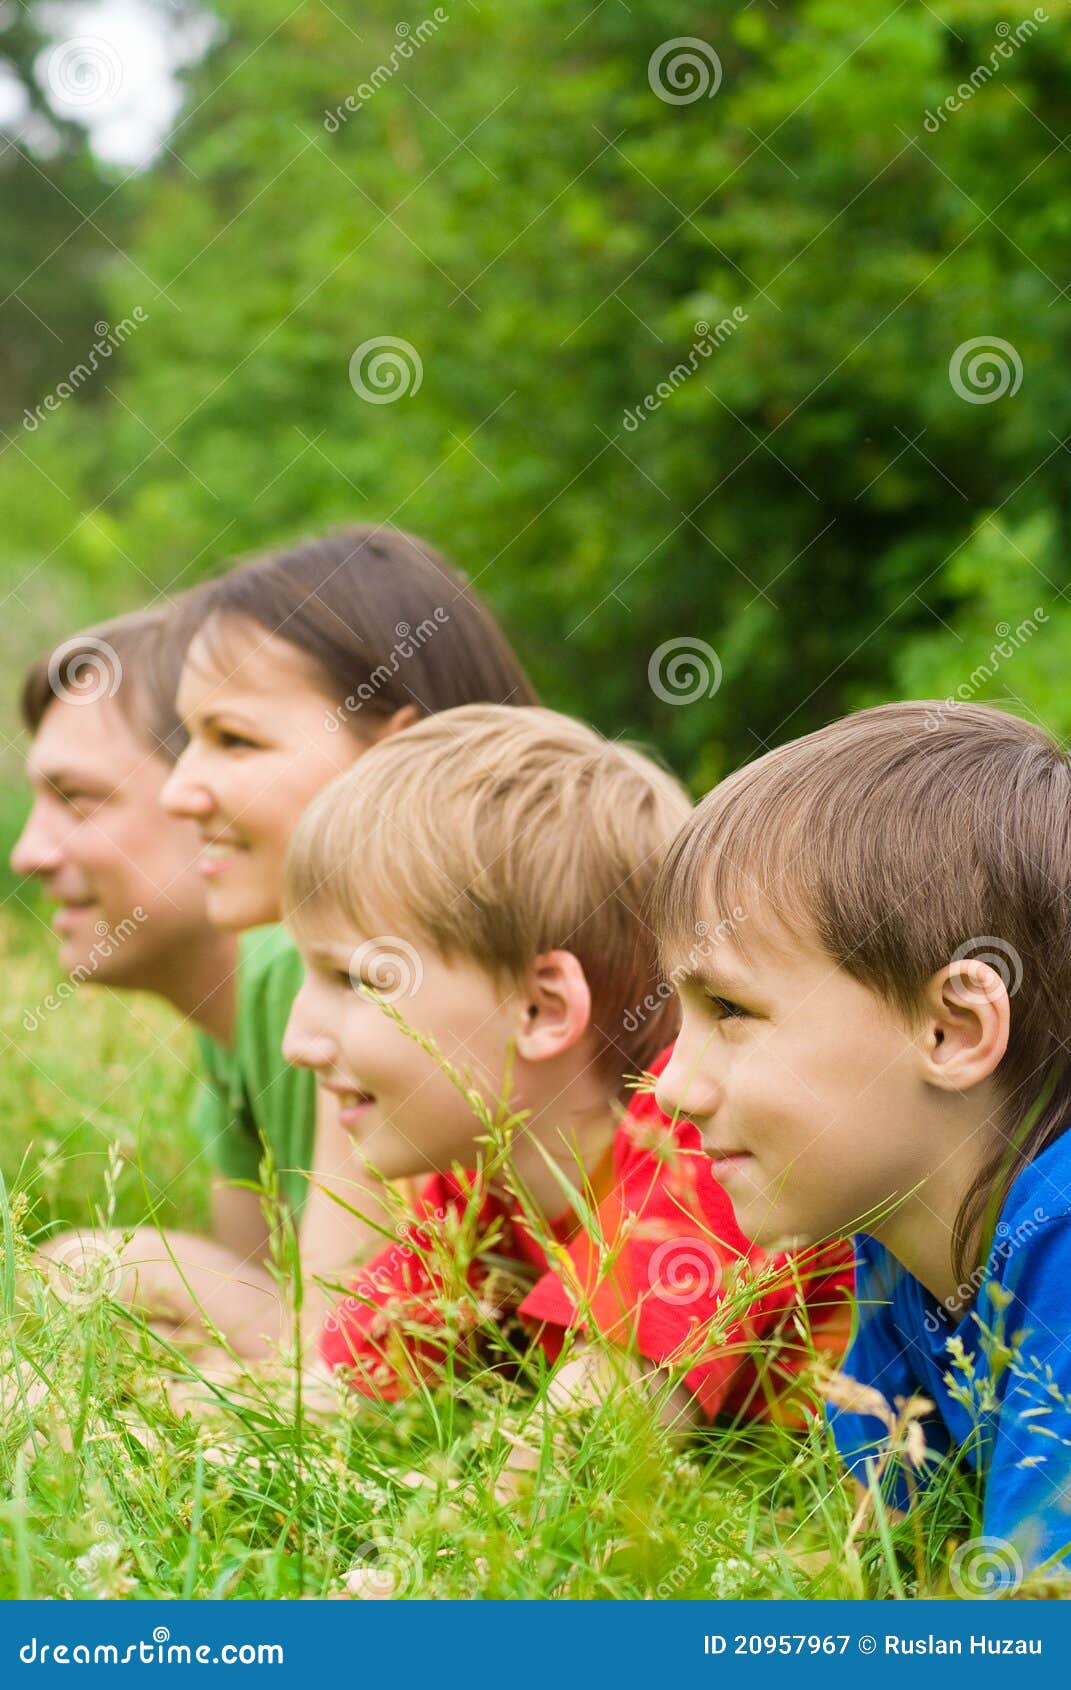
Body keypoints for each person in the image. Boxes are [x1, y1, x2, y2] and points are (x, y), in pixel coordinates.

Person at [281, 703, 851, 1413]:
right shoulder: (478, 1197)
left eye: (355, 980)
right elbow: (319, 1407)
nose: (296, 1042)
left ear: (542, 1009)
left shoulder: (701, 1148)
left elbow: (588, 1448)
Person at [650, 700, 1071, 1579]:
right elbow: (877, 1558)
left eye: (729, 1010)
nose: (670, 1085)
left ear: (951, 1030)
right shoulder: (898, 1241)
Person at [150, 523, 540, 1351]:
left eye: (234, 740)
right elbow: (340, 1356)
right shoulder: (360, 995)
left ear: (395, 756)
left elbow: (330, 1380)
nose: (180, 791)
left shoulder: (432, 1021)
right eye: (188, 742)